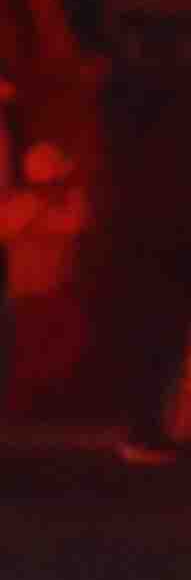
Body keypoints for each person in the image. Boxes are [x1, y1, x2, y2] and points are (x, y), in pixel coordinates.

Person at [0, 137, 90, 416]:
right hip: (27, 300)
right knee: (29, 362)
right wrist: (40, 201)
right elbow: (8, 227)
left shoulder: (67, 206)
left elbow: (77, 222)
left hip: (58, 296)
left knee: (56, 361)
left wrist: (60, 193)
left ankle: (50, 410)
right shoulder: (16, 209)